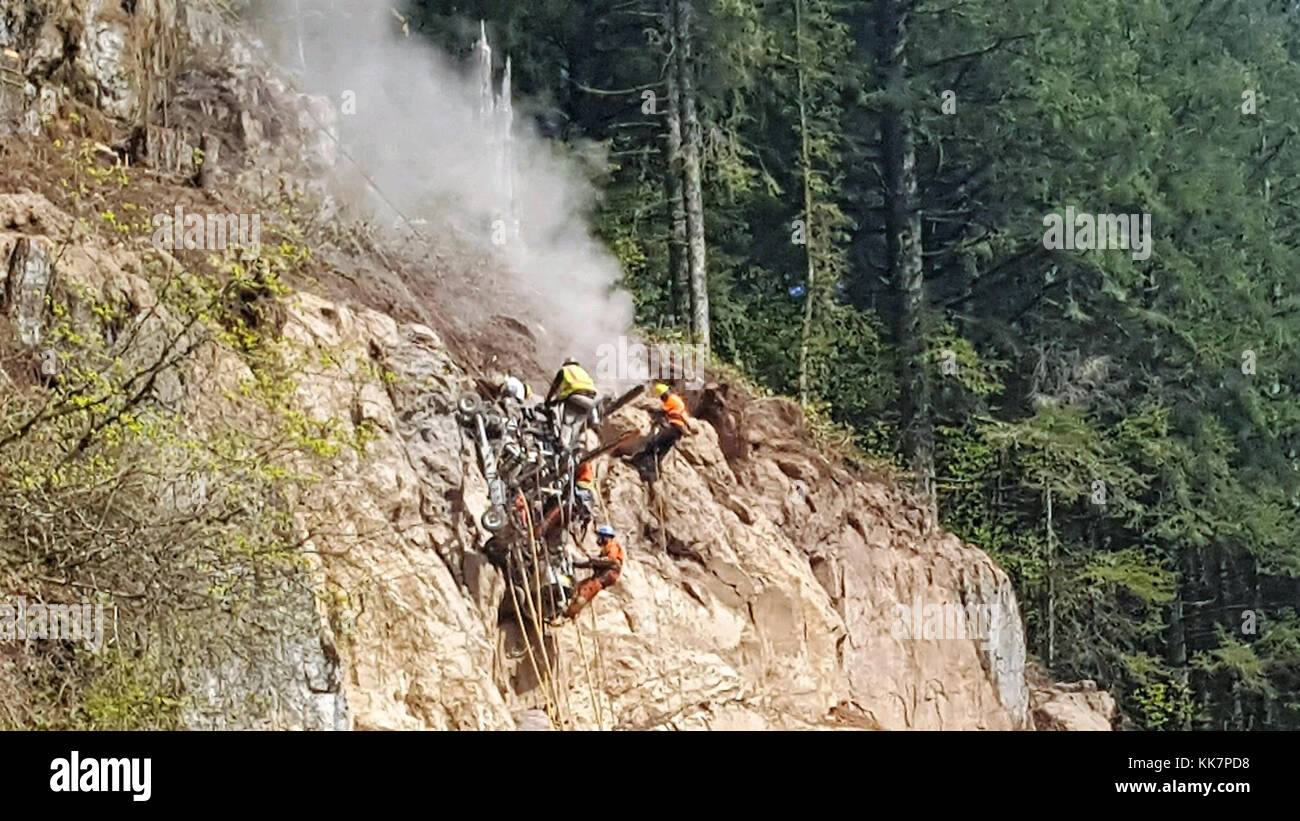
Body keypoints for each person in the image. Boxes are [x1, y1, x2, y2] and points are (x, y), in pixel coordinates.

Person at [631, 382, 690, 480]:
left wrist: (647, 409)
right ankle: (652, 472)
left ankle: (648, 471)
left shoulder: (671, 400)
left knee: (653, 445)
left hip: (674, 428)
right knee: (660, 451)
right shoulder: (675, 399)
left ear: (664, 394)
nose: (661, 399)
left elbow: (661, 411)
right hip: (677, 431)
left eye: (661, 396)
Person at [565, 525, 624, 618]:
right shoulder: (605, 550)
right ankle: (570, 609)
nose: (598, 539)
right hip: (601, 576)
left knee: (585, 592)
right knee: (579, 587)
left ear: (606, 537)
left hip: (604, 577)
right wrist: (576, 564)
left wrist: (592, 558)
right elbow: (593, 563)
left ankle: (570, 613)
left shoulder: (612, 546)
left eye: (600, 536)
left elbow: (609, 560)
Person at [545, 357, 598, 449]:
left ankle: (563, 446)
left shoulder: (565, 370)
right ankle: (572, 449)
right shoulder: (583, 372)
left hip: (576, 397)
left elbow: (554, 387)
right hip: (590, 401)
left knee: (567, 423)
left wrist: (548, 401)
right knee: (576, 426)